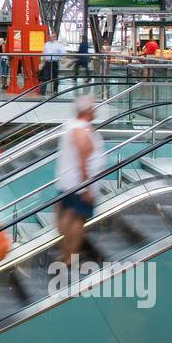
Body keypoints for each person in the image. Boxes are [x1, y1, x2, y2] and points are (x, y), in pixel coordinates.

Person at [55, 95, 103, 276]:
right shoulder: (82, 132)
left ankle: (64, 254)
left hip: (67, 181)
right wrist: (87, 188)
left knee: (68, 218)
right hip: (78, 185)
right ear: (88, 110)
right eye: (93, 107)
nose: (95, 109)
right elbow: (83, 161)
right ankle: (69, 258)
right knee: (77, 221)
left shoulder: (71, 125)